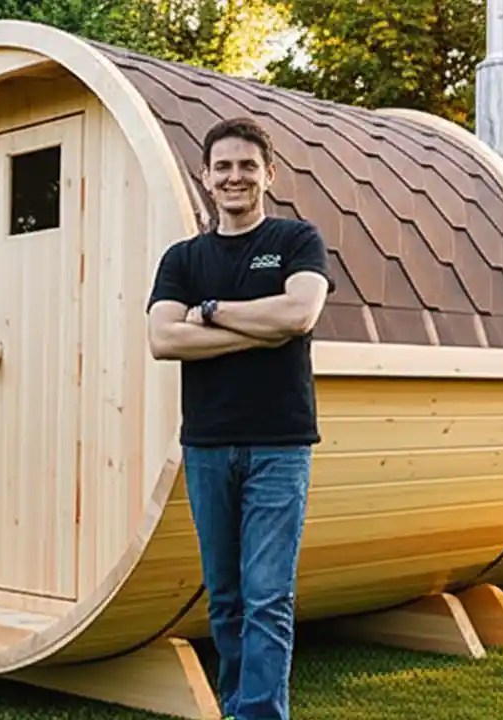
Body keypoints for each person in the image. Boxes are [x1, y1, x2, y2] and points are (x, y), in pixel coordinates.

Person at [145, 116, 333, 720]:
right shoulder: (182, 257)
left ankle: (258, 714)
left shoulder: (297, 240)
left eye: (247, 166)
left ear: (268, 175)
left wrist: (210, 312)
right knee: (225, 597)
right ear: (205, 177)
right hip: (208, 445)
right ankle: (237, 709)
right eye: (222, 166)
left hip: (280, 445)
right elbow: (162, 340)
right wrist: (259, 329)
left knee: (268, 595)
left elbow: (299, 316)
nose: (234, 176)